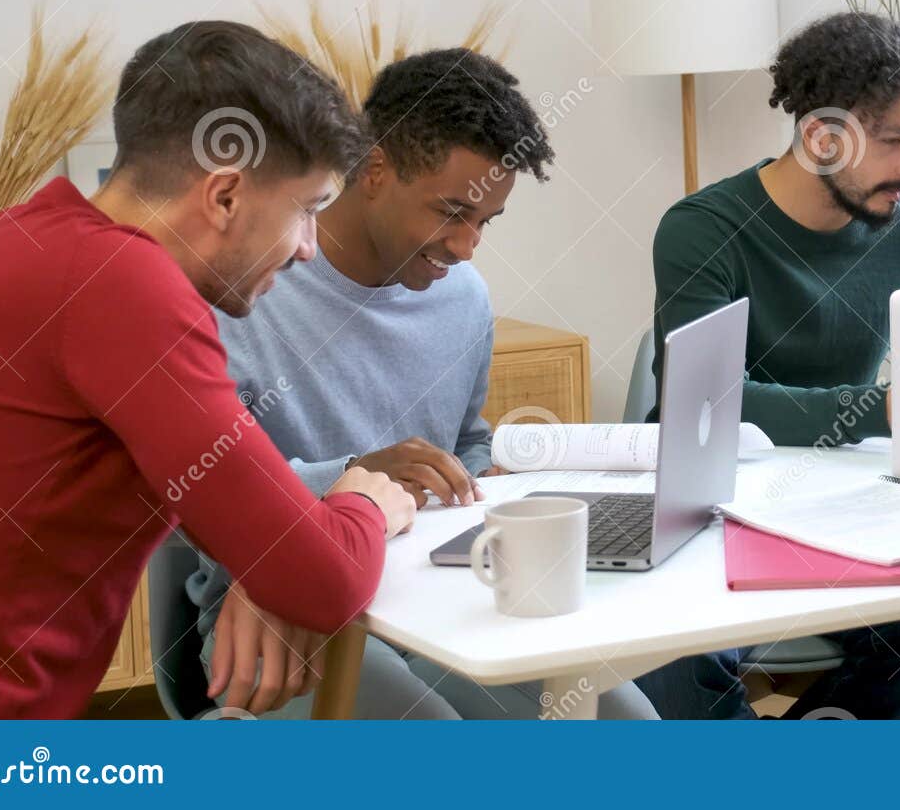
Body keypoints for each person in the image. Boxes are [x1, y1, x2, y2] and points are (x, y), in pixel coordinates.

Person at [0, 21, 416, 718]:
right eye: (308, 211)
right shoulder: (124, 289)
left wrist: (278, 560)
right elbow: (326, 582)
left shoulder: (19, 237)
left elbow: (245, 522)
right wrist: (366, 502)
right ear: (224, 196)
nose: (310, 248)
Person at [189, 48, 655, 719]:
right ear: (374, 169)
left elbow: (464, 444)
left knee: (627, 725)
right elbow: (196, 496)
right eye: (450, 212)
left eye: (484, 221)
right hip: (281, 610)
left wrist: (478, 476)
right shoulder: (246, 295)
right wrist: (353, 479)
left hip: (437, 599)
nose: (467, 245)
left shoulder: (462, 298)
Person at [633, 11, 900, 719]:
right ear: (822, 138)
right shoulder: (703, 228)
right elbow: (704, 404)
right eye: (894, 141)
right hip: (711, 497)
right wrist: (872, 410)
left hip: (848, 499)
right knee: (678, 661)